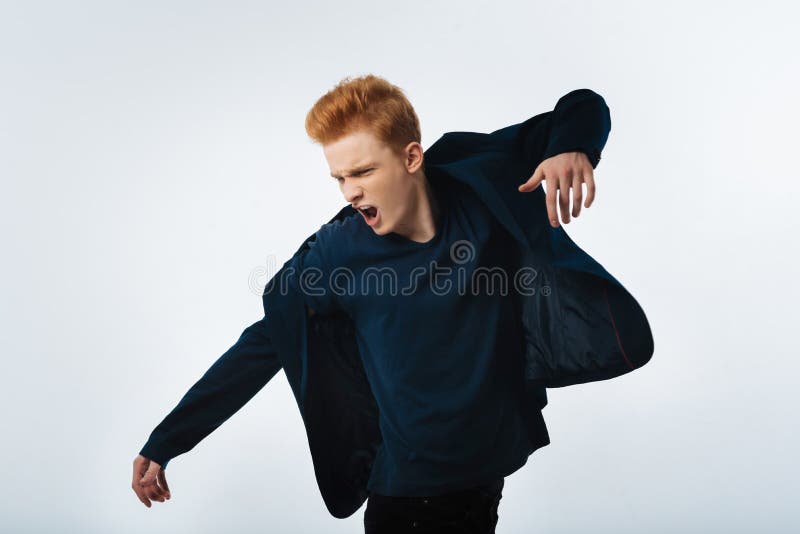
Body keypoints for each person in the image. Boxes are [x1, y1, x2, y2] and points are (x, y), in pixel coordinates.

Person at [132, 74, 650, 533]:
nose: (349, 193)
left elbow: (584, 103)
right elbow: (263, 344)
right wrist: (167, 440)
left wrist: (573, 148)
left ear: (410, 157)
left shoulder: (480, 181)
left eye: (361, 172)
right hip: (406, 497)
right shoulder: (336, 254)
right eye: (339, 177)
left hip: (486, 475)